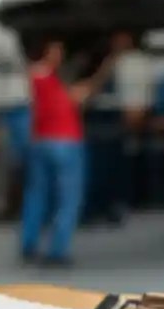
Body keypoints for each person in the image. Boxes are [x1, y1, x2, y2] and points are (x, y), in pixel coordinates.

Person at [20, 33, 132, 265]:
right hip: (66, 142)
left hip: (40, 142)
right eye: (57, 50)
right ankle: (57, 251)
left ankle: (28, 244)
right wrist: (111, 58)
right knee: (68, 198)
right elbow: (86, 91)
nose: (61, 55)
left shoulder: (37, 78)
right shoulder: (50, 80)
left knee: (37, 195)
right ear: (48, 52)